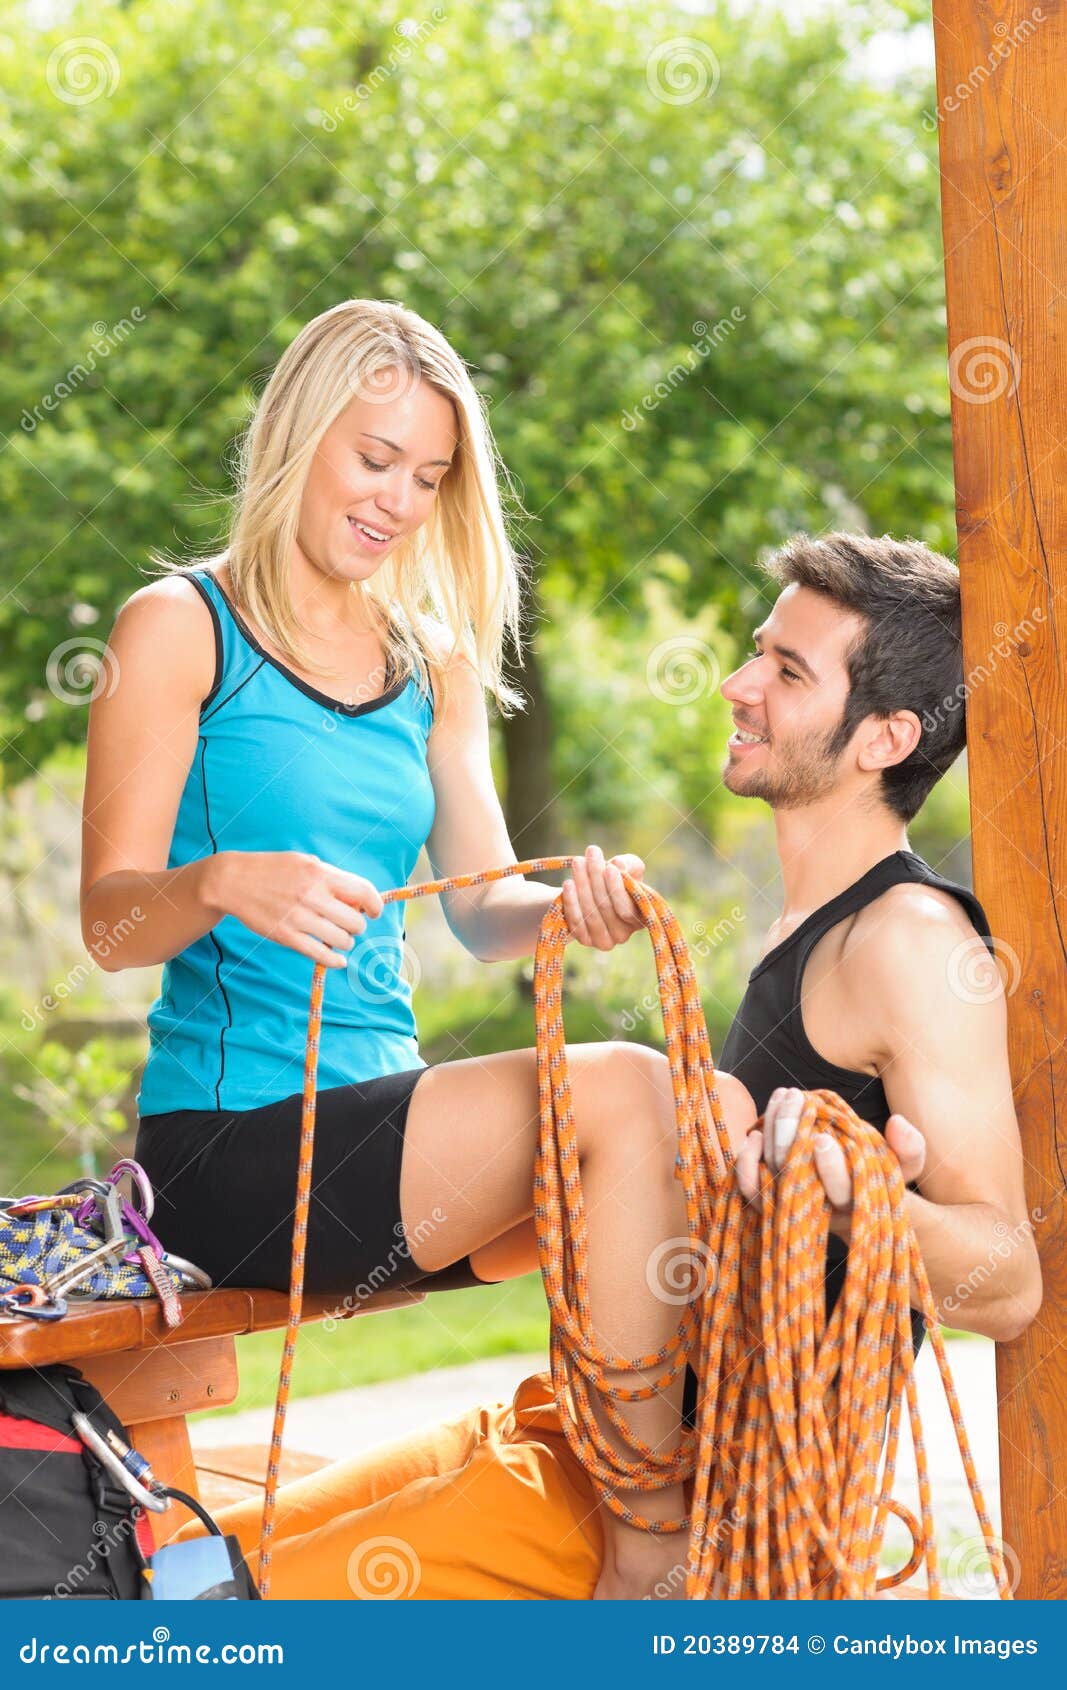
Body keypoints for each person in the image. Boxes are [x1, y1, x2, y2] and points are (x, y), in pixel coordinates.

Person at [80, 297, 756, 1602]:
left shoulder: (431, 660)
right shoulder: (179, 626)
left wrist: (568, 907)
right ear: (299, 435)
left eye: (431, 476)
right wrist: (221, 880)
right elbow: (110, 923)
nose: (401, 499)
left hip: (391, 1148)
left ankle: (692, 1507)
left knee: (705, 1117)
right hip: (235, 1147)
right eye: (375, 458)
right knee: (622, 1091)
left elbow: (478, 904)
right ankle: (654, 1566)